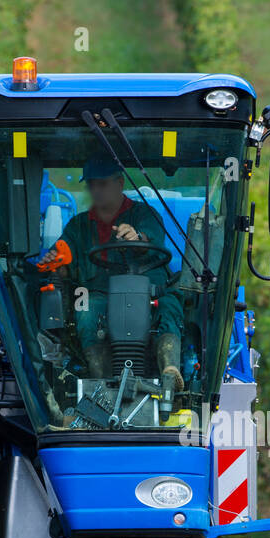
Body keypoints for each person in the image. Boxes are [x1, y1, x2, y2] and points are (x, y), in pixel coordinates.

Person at [38, 157, 185, 385]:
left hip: (149, 291)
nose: (96, 190)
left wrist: (136, 238)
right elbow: (65, 260)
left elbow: (149, 236)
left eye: (102, 184)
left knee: (169, 304)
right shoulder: (78, 226)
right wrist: (57, 263)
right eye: (92, 184)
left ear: (120, 183)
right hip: (99, 296)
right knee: (84, 309)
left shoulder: (145, 214)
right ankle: (100, 383)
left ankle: (170, 370)